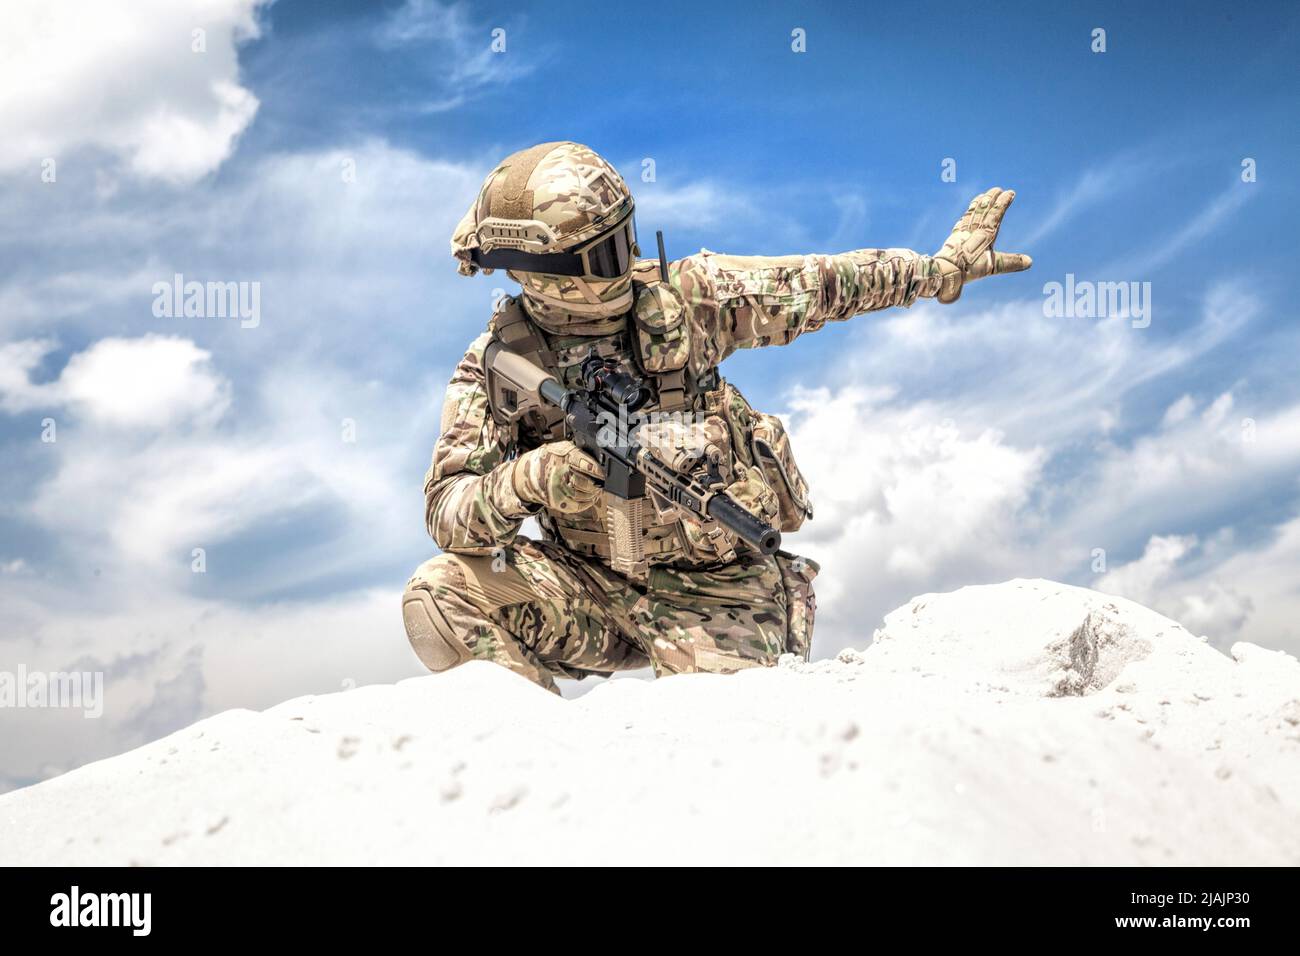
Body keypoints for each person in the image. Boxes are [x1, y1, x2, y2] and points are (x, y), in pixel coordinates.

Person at [402, 141, 1030, 692]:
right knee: (440, 595)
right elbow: (447, 511)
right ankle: (532, 770)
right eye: (602, 255)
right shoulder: (497, 364)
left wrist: (942, 271)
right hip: (591, 590)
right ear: (542, 270)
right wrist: (531, 478)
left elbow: (823, 284)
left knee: (729, 750)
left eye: (627, 238)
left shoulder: (690, 299)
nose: (625, 262)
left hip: (720, 592)